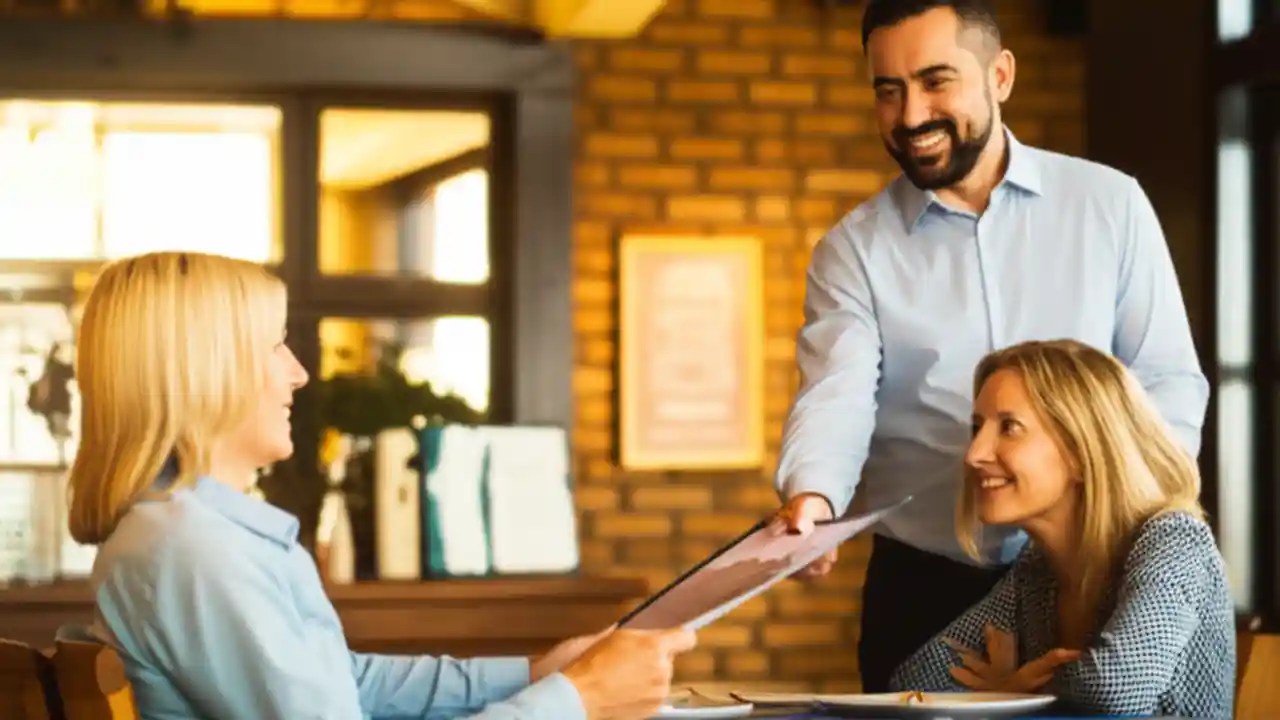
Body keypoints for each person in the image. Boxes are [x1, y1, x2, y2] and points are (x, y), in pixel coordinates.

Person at [772, 0, 1209, 693]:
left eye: (935, 80)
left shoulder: (1110, 205)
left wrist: (1135, 529)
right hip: (924, 588)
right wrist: (814, 498)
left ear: (1000, 75)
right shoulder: (851, 250)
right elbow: (837, 394)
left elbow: (1166, 384)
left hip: (1094, 573)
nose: (910, 114)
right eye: (888, 90)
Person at [67, 251, 696, 720]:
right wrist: (579, 699)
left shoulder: (191, 534)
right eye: (275, 346)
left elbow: (342, 685)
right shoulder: (193, 551)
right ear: (206, 371)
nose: (299, 373)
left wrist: (538, 675)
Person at [890, 339, 1234, 718]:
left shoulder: (1174, 541)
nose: (974, 454)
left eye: (1009, 427)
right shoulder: (1038, 568)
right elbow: (914, 681)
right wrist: (1010, 692)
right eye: (978, 427)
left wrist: (1016, 692)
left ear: (1082, 449)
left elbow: (1116, 690)